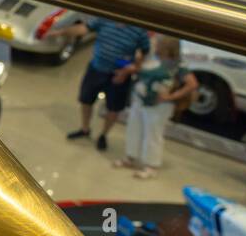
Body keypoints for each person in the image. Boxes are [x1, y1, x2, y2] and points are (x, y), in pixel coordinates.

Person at [61, 17, 151, 151]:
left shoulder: (139, 30)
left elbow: (145, 52)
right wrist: (61, 32)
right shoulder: (104, 18)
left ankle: (103, 134)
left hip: (119, 76)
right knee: (86, 100)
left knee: (113, 108)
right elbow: (85, 28)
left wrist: (130, 69)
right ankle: (85, 128)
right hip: (96, 69)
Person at [113, 36, 197, 179]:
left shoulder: (177, 64)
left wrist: (171, 97)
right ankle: (130, 157)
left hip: (159, 105)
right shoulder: (149, 57)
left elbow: (192, 84)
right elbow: (134, 68)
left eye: (158, 43)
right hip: (139, 99)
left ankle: (151, 166)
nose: (154, 44)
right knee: (134, 128)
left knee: (153, 134)